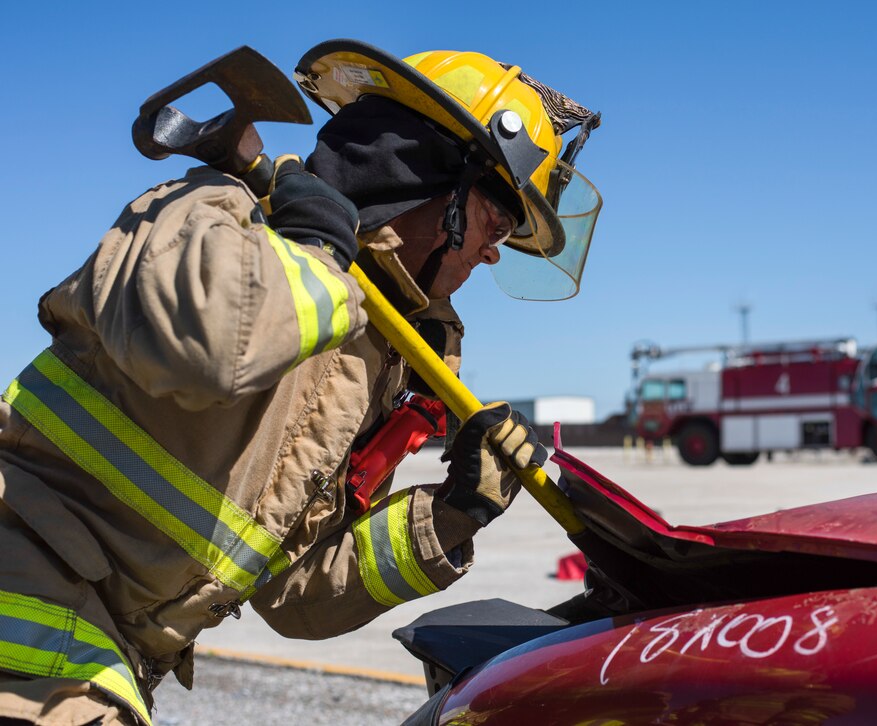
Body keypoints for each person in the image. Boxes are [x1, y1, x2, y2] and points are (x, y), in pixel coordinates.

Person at [0, 40, 601, 725]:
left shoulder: (377, 357)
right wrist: (320, 247)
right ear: (425, 177)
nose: (492, 253)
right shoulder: (216, 213)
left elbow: (293, 600)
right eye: (494, 223)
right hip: (25, 608)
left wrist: (450, 515)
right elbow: (210, 348)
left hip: (103, 656)